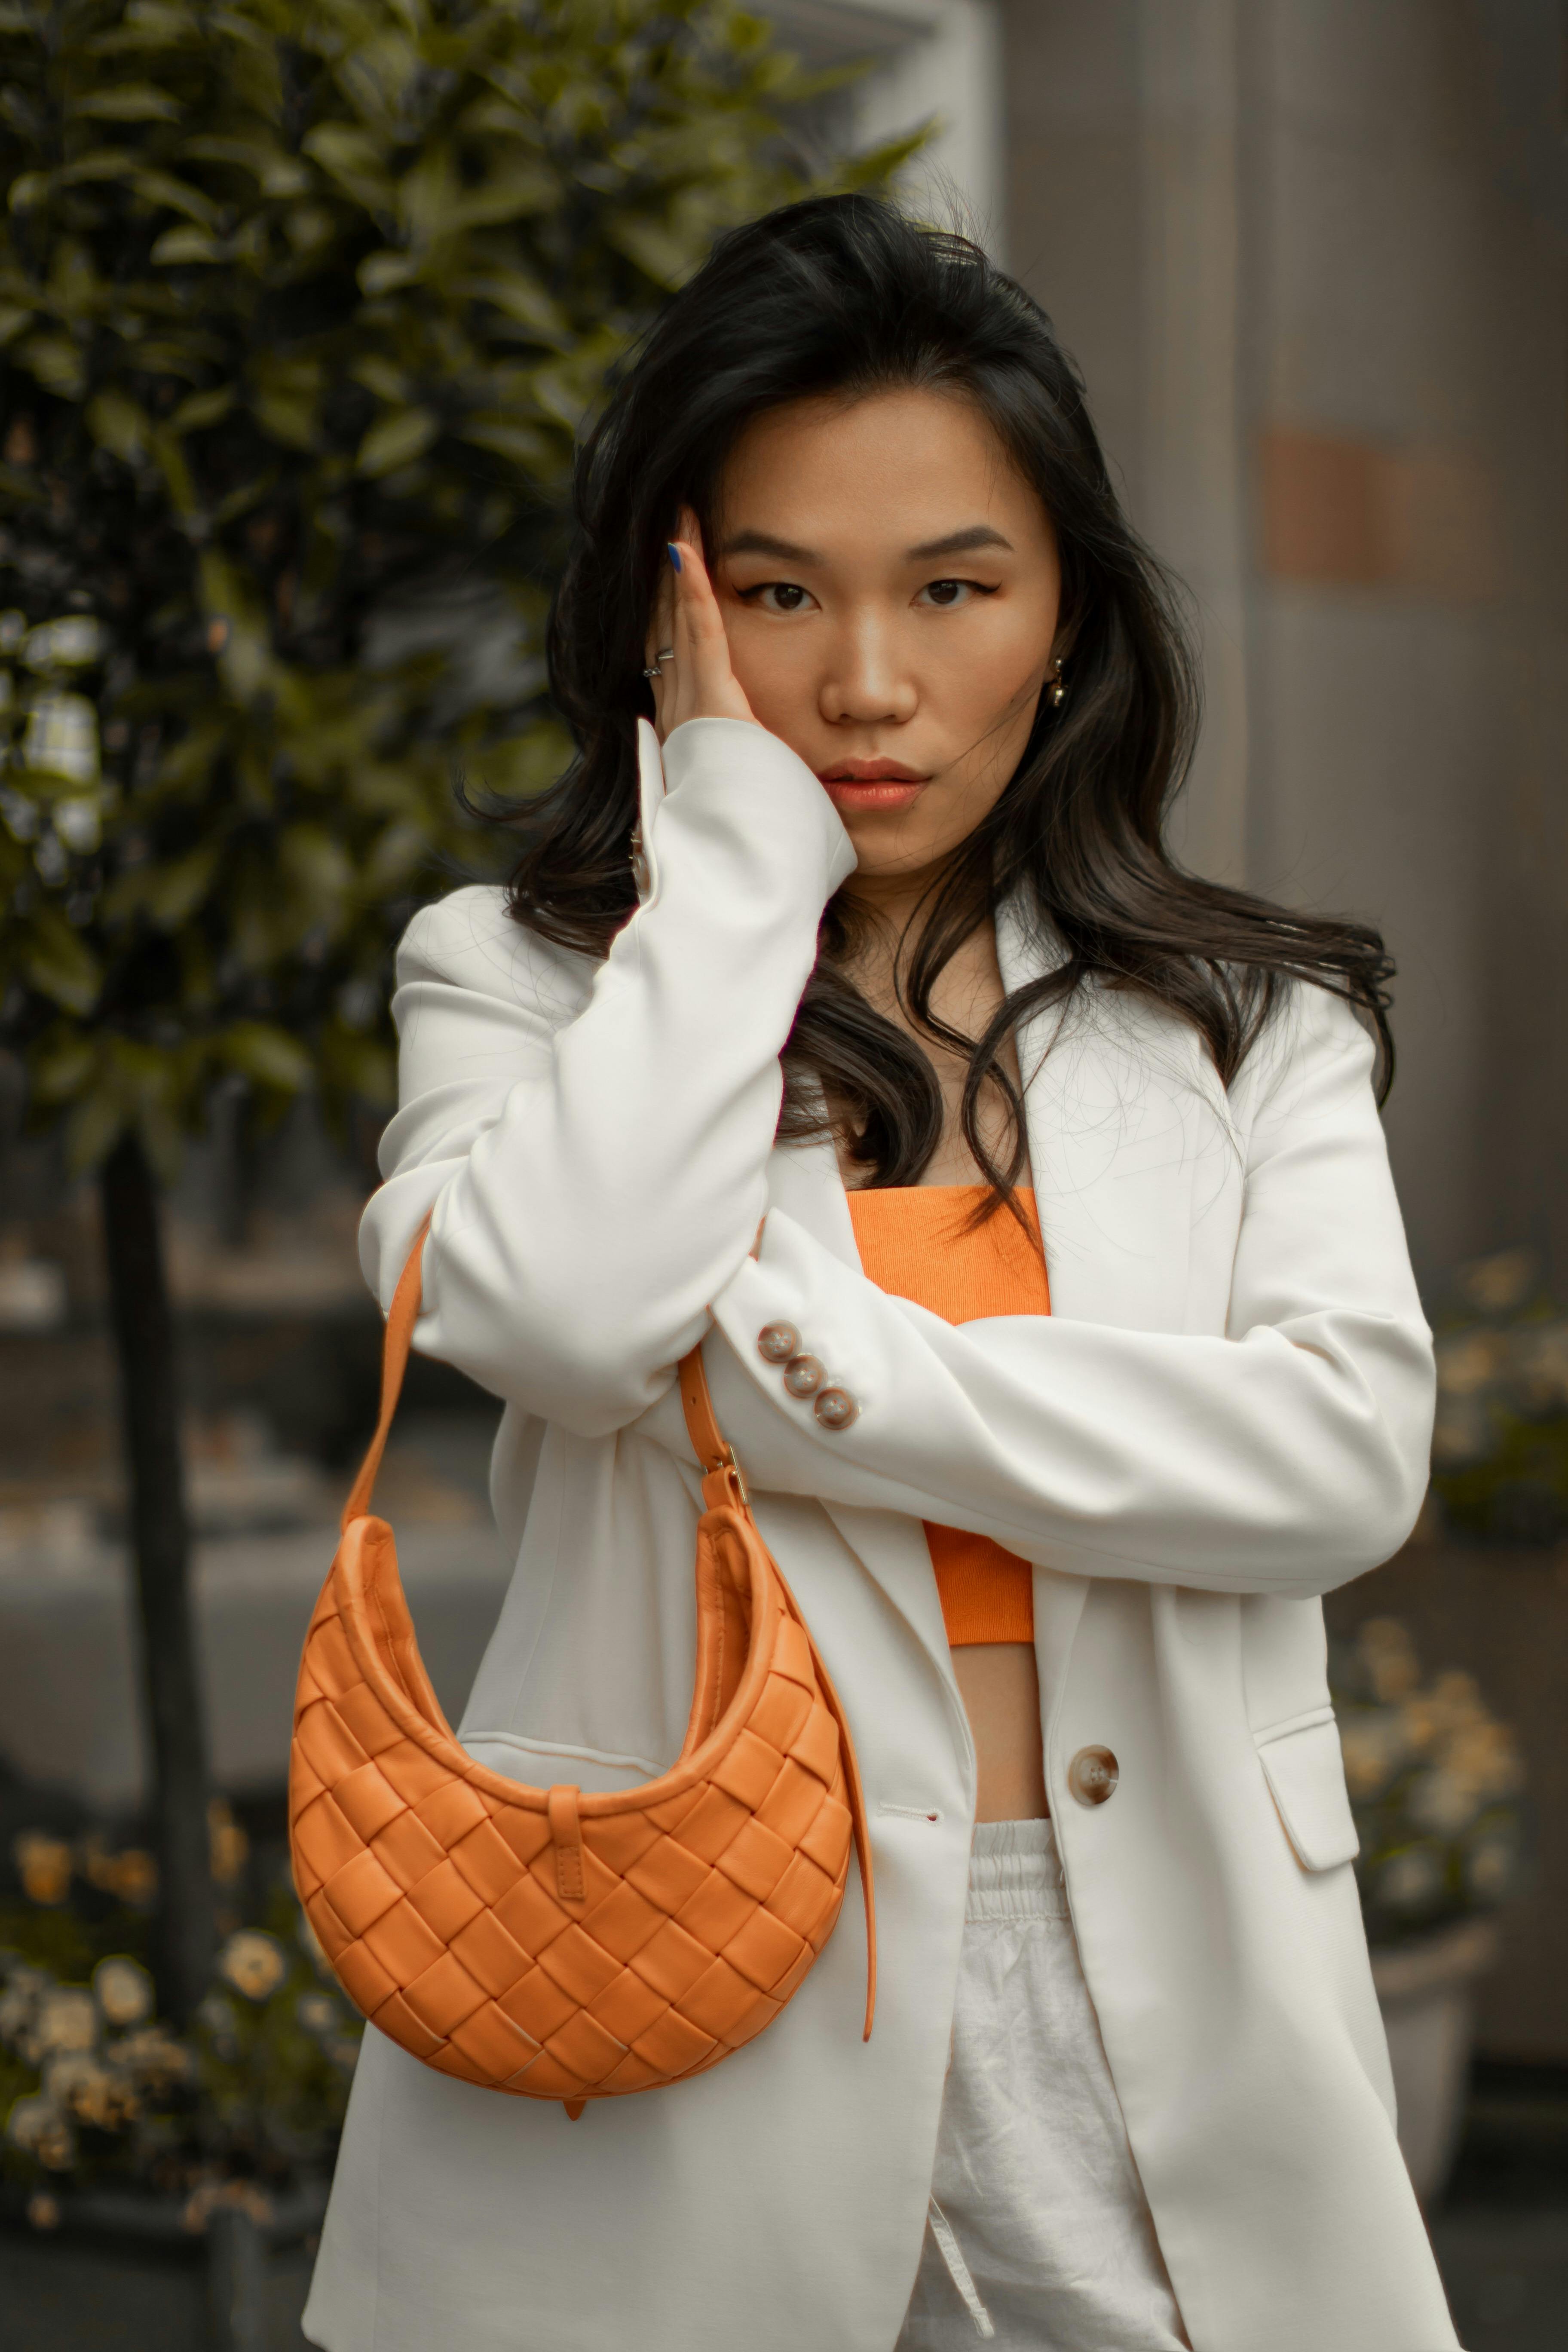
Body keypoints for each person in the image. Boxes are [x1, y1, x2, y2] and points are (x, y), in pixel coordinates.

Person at [303, 197, 1458, 2352]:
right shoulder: (526, 984)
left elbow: (1342, 1455)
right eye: (775, 596)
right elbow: (564, 1323)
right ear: (672, 616)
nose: (865, 681)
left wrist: (823, 1374)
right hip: (690, 1982)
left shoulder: (1245, 1018)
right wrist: (741, 856)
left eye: (954, 588)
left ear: (1065, 615)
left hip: (1163, 1987)